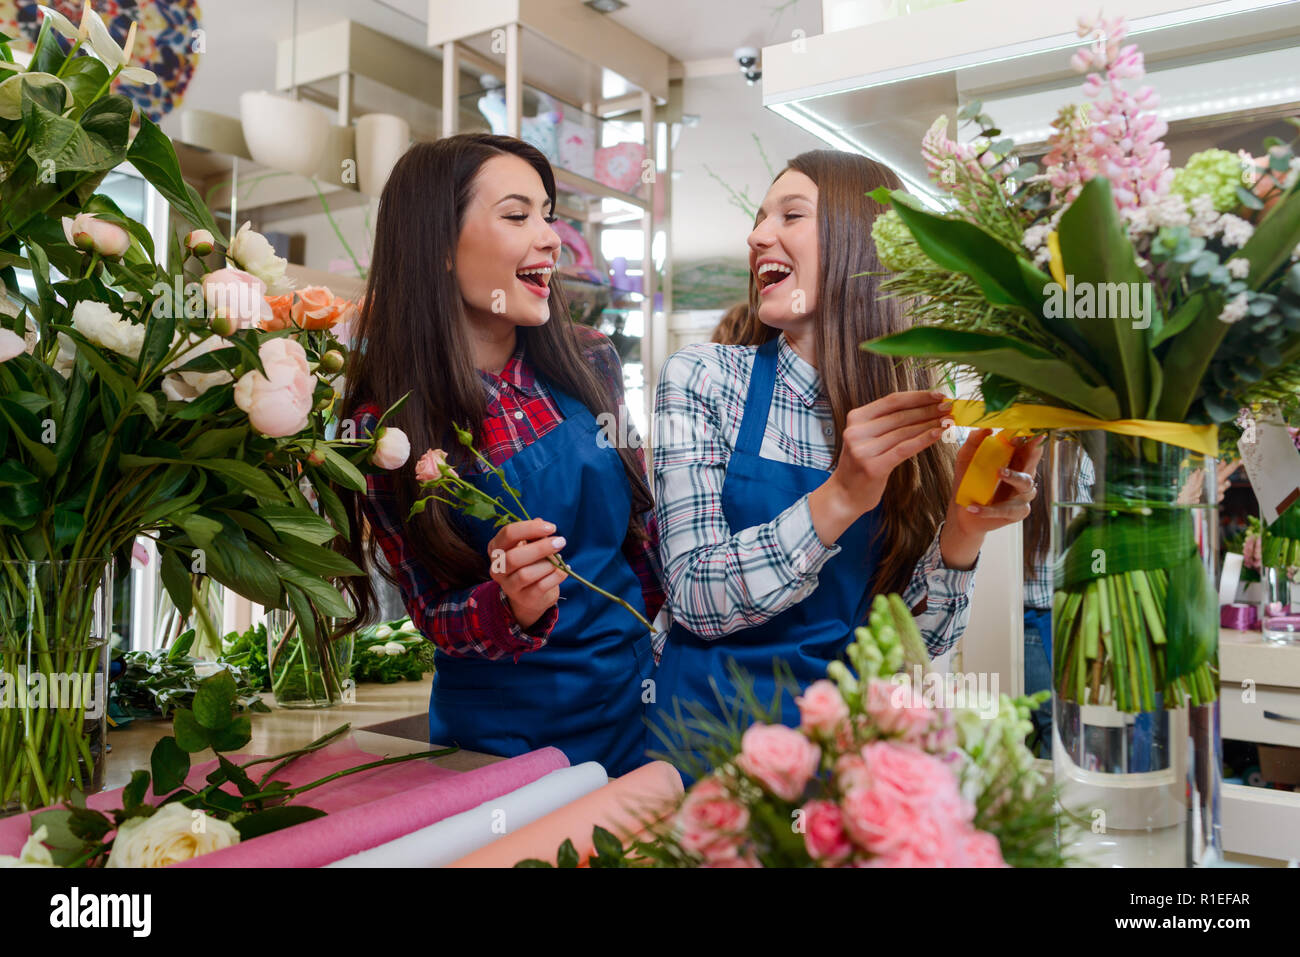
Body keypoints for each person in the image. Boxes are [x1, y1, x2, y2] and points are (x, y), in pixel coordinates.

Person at [649, 149, 1043, 767]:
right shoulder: (703, 378)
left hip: (844, 758)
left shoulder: (908, 416)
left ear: (858, 244)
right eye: (759, 218)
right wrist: (840, 497)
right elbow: (696, 595)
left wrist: (964, 531)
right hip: (706, 750)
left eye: (791, 214)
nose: (756, 236)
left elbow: (920, 642)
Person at [337, 134, 663, 777]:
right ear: (438, 250)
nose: (551, 238)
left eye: (548, 214)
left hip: (634, 707)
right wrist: (509, 604)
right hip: (501, 742)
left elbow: (641, 534)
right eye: (518, 216)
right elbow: (431, 611)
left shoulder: (590, 358)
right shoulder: (386, 429)